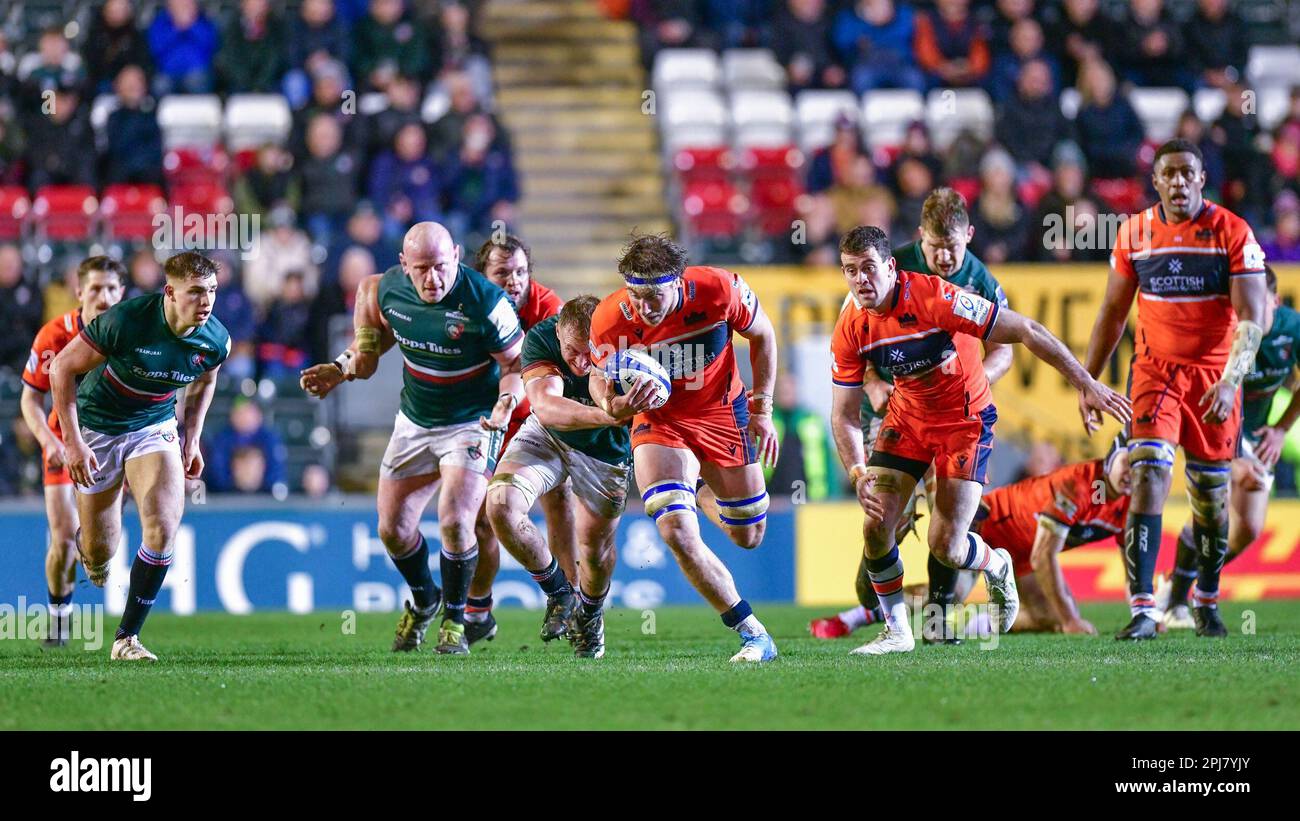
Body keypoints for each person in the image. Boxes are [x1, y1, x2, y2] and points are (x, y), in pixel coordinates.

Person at [829, 224, 1129, 655]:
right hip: (908, 421)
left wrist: (1086, 383)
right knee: (876, 526)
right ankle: (897, 632)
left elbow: (1026, 330)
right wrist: (857, 470)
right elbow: (842, 414)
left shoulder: (937, 297)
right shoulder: (850, 327)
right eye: (850, 271)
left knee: (946, 546)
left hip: (964, 421)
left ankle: (996, 562)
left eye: (869, 269)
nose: (860, 280)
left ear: (891, 268)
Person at [299, 223, 523, 655]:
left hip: (470, 422)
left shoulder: (486, 301)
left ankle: (455, 623)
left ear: (457, 255)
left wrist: (506, 402)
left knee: (455, 520)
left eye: (441, 267)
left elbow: (516, 365)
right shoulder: (382, 291)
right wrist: (339, 368)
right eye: (421, 269)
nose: (433, 279)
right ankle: (425, 598)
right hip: (415, 422)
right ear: (404, 264)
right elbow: (365, 360)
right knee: (393, 530)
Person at [1083, 138, 1269, 640]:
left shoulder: (1232, 231)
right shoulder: (1134, 233)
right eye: (1170, 173)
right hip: (1156, 373)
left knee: (1210, 500)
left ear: (1202, 179)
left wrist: (1232, 382)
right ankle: (1144, 608)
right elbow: (1112, 314)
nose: (1180, 181)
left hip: (1214, 379)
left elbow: (1254, 317)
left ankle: (1205, 598)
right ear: (1157, 181)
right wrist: (1088, 380)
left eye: (1189, 172)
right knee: (1148, 474)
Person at [810, 188, 1011, 642]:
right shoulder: (882, 264)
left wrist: (968, 381)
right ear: (919, 238)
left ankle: (937, 621)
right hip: (890, 407)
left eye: (953, 248)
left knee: (951, 524)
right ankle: (873, 605)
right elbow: (852, 347)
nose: (943, 256)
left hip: (954, 413)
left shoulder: (982, 281)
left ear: (970, 237)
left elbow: (1003, 352)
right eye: (935, 247)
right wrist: (876, 384)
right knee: (887, 521)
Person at [587, 233, 782, 663]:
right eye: (637, 296)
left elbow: (763, 335)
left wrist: (763, 409)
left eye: (655, 296)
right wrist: (611, 403)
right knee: (675, 529)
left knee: (748, 535)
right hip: (660, 423)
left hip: (721, 412)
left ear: (678, 283)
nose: (645, 307)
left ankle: (697, 490)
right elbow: (598, 375)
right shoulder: (608, 318)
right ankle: (753, 634)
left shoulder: (719, 289)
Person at [49, 252, 230, 661]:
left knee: (164, 525)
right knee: (101, 550)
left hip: (154, 426)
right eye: (196, 292)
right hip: (99, 426)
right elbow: (60, 369)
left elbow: (206, 378)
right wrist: (73, 442)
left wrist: (192, 436)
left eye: (212, 292)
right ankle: (90, 549)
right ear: (169, 291)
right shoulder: (126, 321)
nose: (206, 302)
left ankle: (126, 638)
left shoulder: (216, 339)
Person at [487, 296, 639, 657]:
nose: (583, 364)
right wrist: (611, 415)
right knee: (501, 504)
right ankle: (558, 591)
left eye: (591, 353)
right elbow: (547, 407)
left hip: (606, 451)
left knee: (595, 553)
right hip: (549, 435)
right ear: (558, 332)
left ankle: (589, 615)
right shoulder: (541, 337)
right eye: (573, 352)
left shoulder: (629, 342)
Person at [1158, 266, 1300, 627]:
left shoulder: (1292, 328)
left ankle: (1177, 584)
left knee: (1249, 528)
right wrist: (1232, 458)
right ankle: (1178, 602)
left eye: (1258, 303)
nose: (1248, 313)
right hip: (1213, 427)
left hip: (1255, 433)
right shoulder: (1224, 332)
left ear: (1276, 301)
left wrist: (1282, 429)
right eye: (1243, 304)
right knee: (1214, 512)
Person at [461, 234, 568, 643]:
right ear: (483, 276)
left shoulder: (549, 309)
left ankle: (568, 602)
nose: (514, 280)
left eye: (521, 271)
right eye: (502, 273)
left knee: (561, 504)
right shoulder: (468, 308)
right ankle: (478, 611)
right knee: (478, 520)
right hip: (489, 423)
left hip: (540, 423)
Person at [19, 256, 125, 646]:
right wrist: (49, 443)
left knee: (99, 544)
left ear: (122, 293)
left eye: (112, 288)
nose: (104, 295)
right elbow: (30, 400)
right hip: (65, 447)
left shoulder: (131, 333)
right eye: (95, 288)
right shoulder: (55, 334)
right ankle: (60, 619)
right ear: (79, 292)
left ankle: (128, 624)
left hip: (117, 445)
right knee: (63, 539)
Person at [933, 437, 1131, 636]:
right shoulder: (1081, 483)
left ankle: (973, 623)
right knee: (948, 595)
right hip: (993, 521)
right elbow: (1044, 555)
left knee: (1051, 617)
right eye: (1126, 462)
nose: (1131, 474)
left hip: (1026, 548)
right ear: (1111, 459)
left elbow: (1135, 564)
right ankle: (902, 607)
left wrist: (1146, 613)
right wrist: (1070, 619)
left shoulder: (1133, 505)